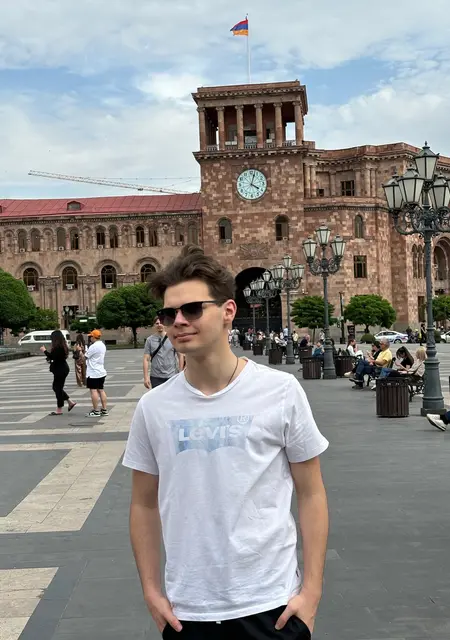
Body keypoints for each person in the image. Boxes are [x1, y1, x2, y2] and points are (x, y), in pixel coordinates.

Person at [123, 245, 329, 639]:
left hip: (272, 605)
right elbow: (143, 503)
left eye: (192, 309)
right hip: (188, 610)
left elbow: (312, 492)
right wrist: (151, 590)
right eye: (168, 314)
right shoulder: (154, 407)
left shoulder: (280, 391)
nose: (178, 321)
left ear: (228, 311)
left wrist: (312, 591)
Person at [40, 330, 76, 415]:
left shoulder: (58, 347)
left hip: (60, 370)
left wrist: (44, 351)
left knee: (57, 388)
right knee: (57, 388)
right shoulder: (62, 346)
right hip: (62, 368)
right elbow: (56, 358)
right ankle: (70, 402)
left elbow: (52, 356)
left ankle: (59, 409)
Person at [143, 317, 184, 389]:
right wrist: (146, 377)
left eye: (161, 323)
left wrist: (180, 373)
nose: (159, 325)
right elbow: (146, 359)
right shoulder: (149, 340)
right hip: (156, 377)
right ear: (154, 325)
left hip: (172, 375)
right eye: (157, 323)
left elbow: (180, 356)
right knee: (158, 396)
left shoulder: (173, 338)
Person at [80, 329, 108, 417]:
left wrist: (80, 351)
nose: (90, 338)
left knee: (93, 391)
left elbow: (84, 357)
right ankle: (104, 409)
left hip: (93, 372)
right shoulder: (102, 345)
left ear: (93, 337)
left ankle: (96, 411)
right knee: (101, 390)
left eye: (90, 337)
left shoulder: (93, 346)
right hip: (101, 371)